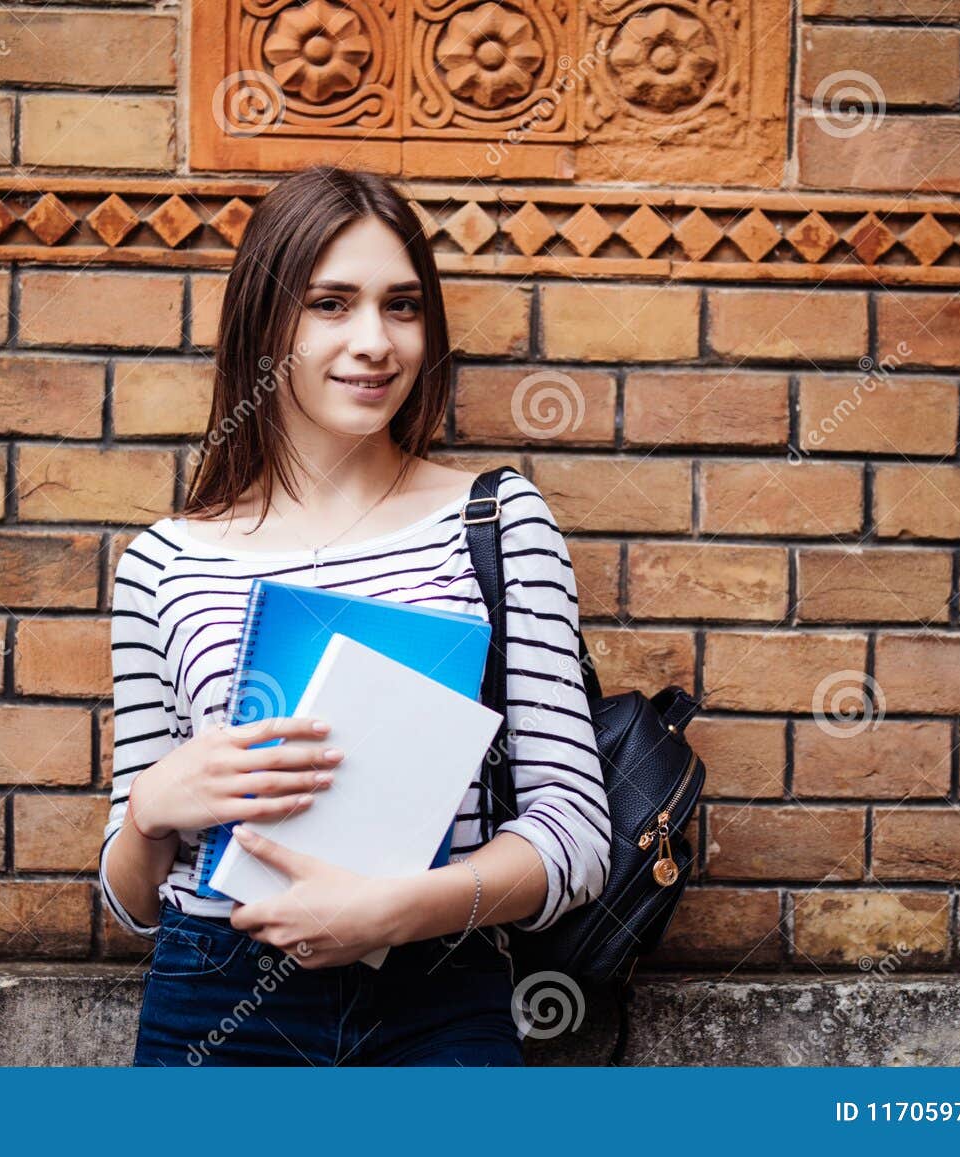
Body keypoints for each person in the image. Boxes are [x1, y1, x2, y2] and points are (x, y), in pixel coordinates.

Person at [98, 164, 610, 1066]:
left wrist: (397, 909)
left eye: (401, 306)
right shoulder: (163, 562)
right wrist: (148, 809)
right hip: (216, 998)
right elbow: (132, 899)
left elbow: (573, 832)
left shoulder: (496, 521)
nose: (375, 341)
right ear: (267, 326)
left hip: (438, 995)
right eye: (331, 303)